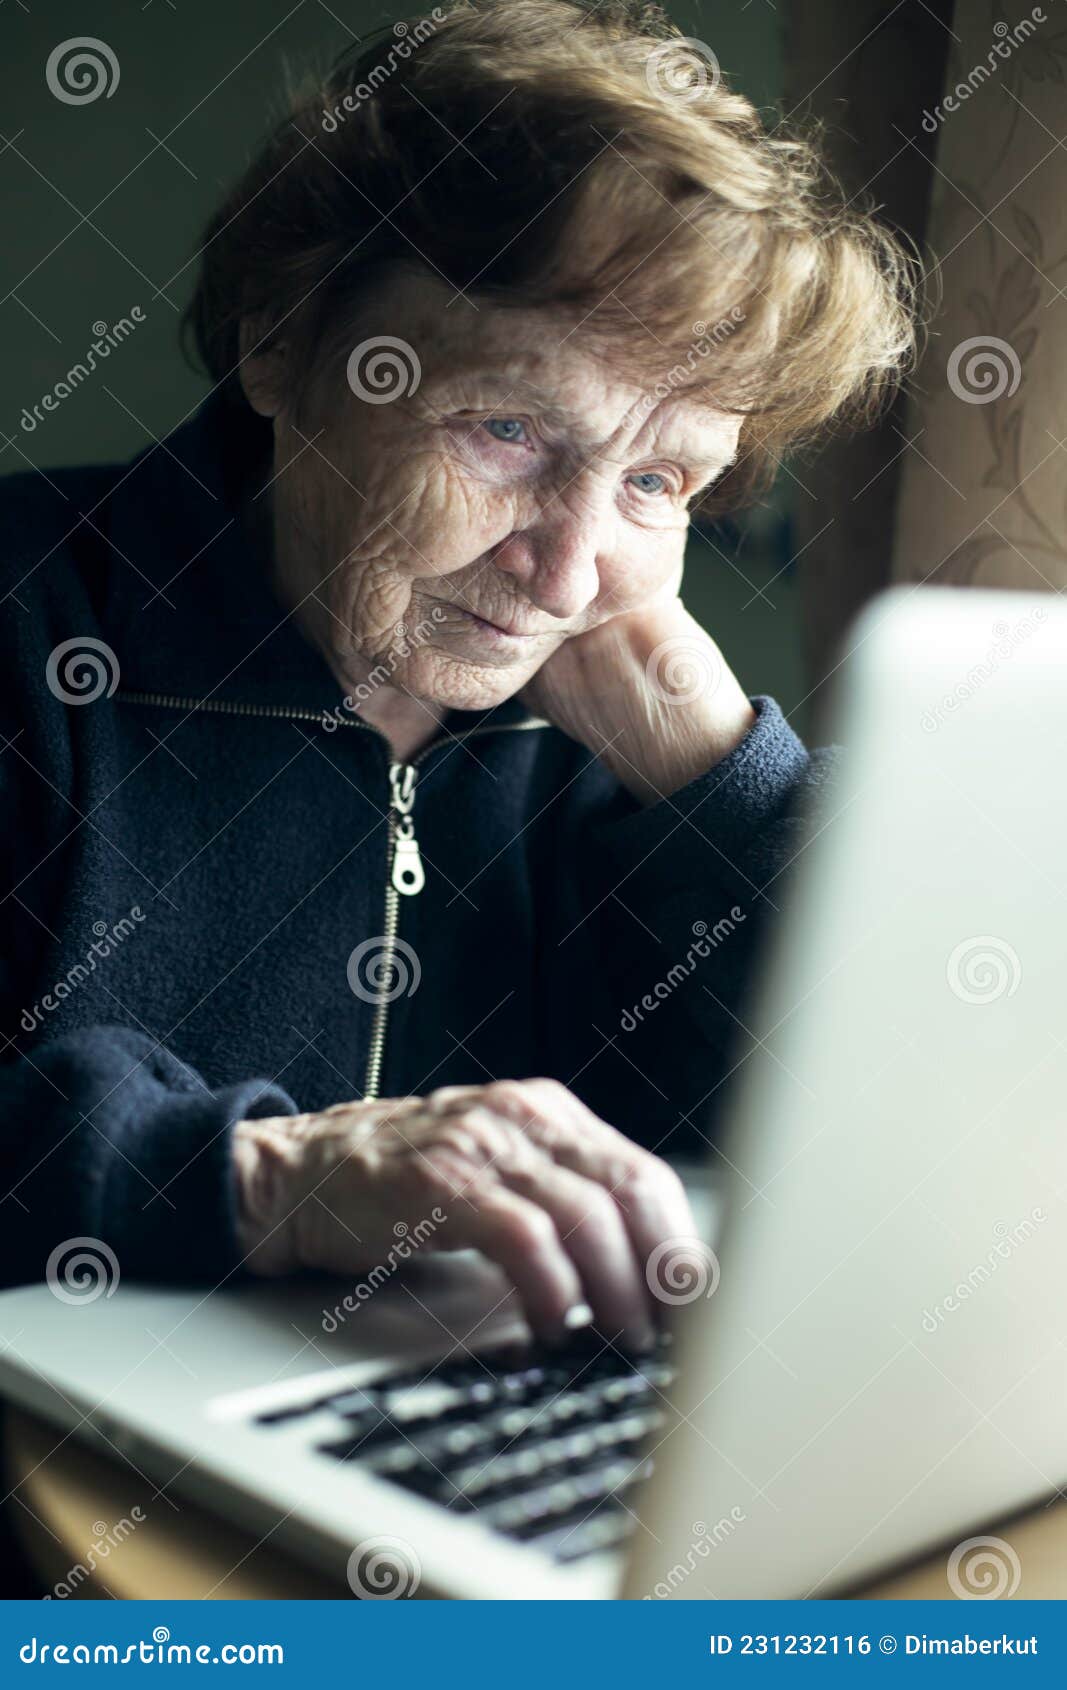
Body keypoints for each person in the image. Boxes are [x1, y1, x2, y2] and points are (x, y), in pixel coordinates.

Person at [0, 0, 914, 1348]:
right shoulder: (34, 627)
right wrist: (255, 1176)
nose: (566, 573)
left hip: (458, 1484)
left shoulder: (614, 759)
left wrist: (723, 779)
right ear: (282, 338)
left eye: (659, 479)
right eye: (506, 429)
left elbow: (921, 1134)